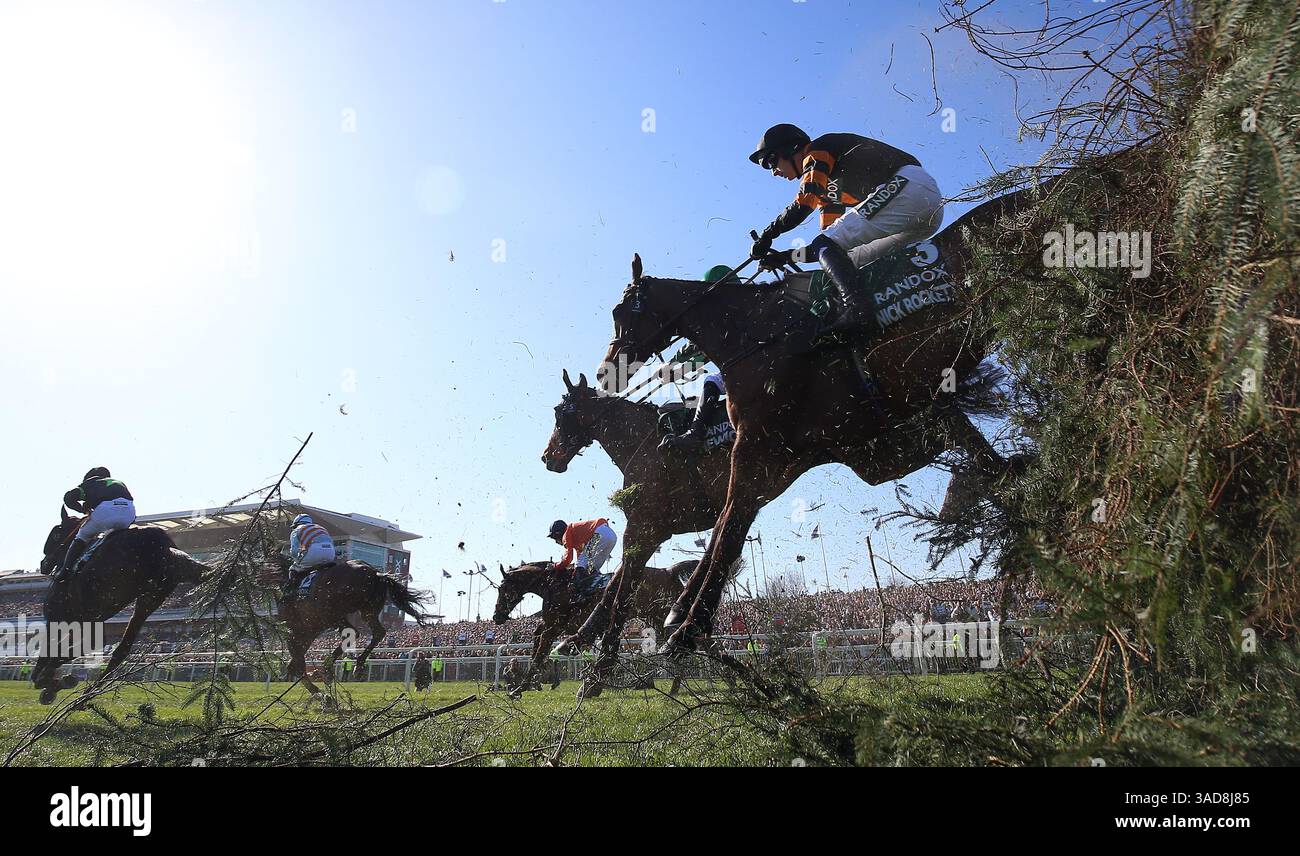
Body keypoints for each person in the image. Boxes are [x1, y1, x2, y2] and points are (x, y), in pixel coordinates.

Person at [746, 123, 944, 337]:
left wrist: (768, 234)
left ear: (790, 148)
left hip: (909, 186)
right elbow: (830, 248)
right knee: (848, 259)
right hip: (923, 212)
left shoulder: (816, 150)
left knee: (827, 245)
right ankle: (886, 313)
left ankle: (857, 311)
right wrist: (787, 257)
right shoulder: (827, 192)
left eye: (771, 161)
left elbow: (804, 205)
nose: (774, 172)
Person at [55, 467, 136, 579]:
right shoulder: (119, 483)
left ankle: (65, 571)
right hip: (129, 513)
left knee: (82, 535)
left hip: (106, 512)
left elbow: (68, 498)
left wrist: (83, 510)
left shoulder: (91, 482)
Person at [549, 518, 618, 592]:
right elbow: (581, 558)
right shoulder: (576, 535)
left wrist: (555, 566)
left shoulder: (567, 533)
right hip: (612, 536)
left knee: (582, 564)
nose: (556, 542)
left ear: (558, 534)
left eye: (555, 538)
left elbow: (568, 558)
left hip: (600, 533)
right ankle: (602, 586)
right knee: (591, 568)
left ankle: (581, 593)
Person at [285, 513, 336, 595]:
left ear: (297, 524)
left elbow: (294, 551)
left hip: (314, 553)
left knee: (293, 569)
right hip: (330, 553)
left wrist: (296, 559)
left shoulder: (297, 530)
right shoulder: (320, 528)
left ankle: (292, 593)